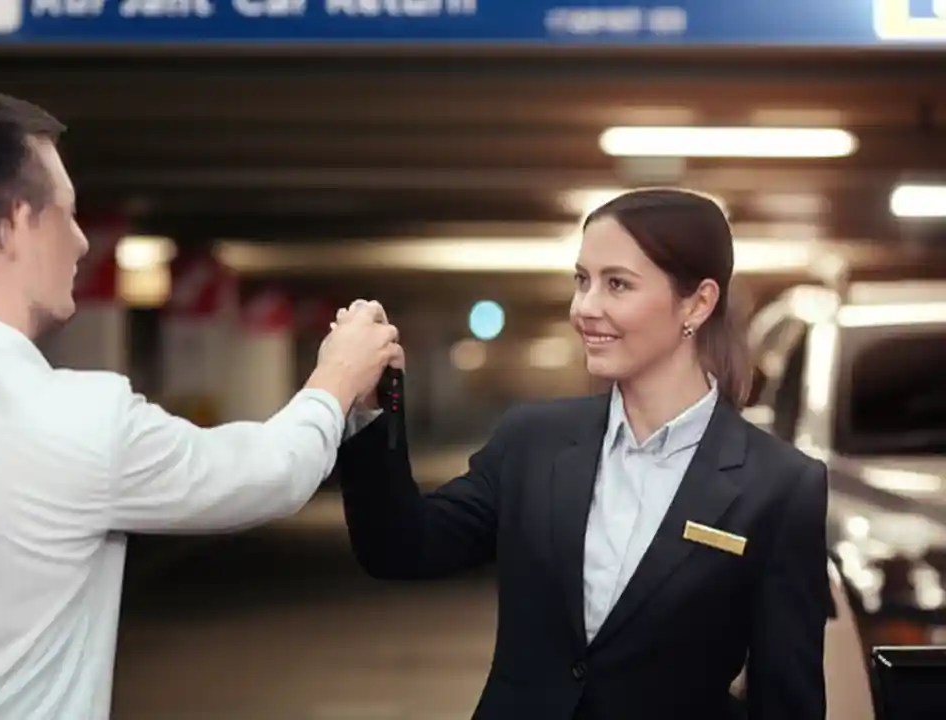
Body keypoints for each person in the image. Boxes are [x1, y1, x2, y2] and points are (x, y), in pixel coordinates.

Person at [0, 87, 401, 720]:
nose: (82, 241)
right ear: (15, 224)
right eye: (66, 213)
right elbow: (269, 475)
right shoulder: (83, 420)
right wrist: (337, 376)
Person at [335, 188, 829, 720]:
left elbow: (787, 700)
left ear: (698, 303)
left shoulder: (780, 485)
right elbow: (400, 547)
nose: (585, 309)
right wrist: (369, 407)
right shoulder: (534, 440)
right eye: (582, 280)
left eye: (616, 284)